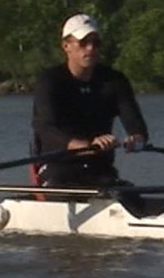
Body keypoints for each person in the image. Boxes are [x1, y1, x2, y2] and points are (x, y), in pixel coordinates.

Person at [31, 13, 148, 187]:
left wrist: (136, 139)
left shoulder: (114, 81)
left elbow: (136, 124)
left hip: (99, 169)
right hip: (58, 167)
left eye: (96, 43)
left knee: (130, 200)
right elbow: (45, 130)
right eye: (84, 43)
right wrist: (86, 146)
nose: (91, 48)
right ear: (66, 46)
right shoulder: (50, 81)